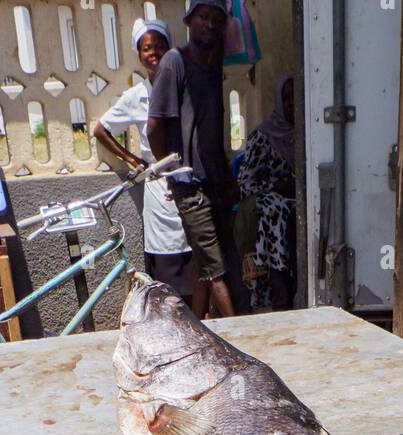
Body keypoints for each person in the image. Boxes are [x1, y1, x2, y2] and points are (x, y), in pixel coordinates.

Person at [147, 0, 241, 319]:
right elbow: (154, 127)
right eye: (203, 17)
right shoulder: (175, 62)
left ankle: (197, 324)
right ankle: (243, 340)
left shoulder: (213, 66)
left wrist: (227, 177)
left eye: (217, 19)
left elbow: (213, 132)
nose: (210, 25)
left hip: (215, 180)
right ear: (189, 21)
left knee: (206, 261)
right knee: (216, 270)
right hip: (191, 186)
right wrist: (175, 173)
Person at [91, 19, 193, 303]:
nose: (154, 53)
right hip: (158, 187)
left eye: (160, 47)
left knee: (195, 256)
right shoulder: (136, 96)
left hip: (188, 178)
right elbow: (101, 130)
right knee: (166, 262)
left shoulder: (184, 87)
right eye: (147, 48)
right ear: (139, 55)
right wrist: (131, 158)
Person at [237, 74, 297, 310]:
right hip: (269, 204)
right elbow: (245, 182)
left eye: (296, 97)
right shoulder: (264, 136)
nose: (292, 103)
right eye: (287, 98)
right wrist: (276, 187)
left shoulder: (310, 133)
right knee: (275, 208)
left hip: (297, 201)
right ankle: (277, 279)